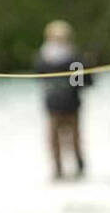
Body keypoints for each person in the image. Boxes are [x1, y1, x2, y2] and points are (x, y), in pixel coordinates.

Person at [35, 20, 91, 179]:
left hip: (71, 105)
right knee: (55, 141)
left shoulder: (74, 57)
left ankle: (79, 169)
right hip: (53, 106)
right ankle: (58, 171)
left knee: (74, 140)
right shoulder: (44, 58)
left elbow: (81, 83)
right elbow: (41, 80)